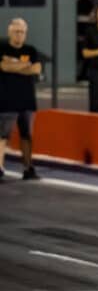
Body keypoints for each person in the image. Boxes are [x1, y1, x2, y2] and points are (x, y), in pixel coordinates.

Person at [0, 18, 42, 180]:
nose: (19, 35)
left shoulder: (31, 49)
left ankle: (28, 168)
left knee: (27, 136)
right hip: (6, 99)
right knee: (3, 135)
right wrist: (24, 65)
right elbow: (3, 66)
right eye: (16, 31)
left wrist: (13, 64)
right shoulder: (1, 48)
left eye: (22, 32)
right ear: (9, 32)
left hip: (27, 100)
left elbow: (37, 69)